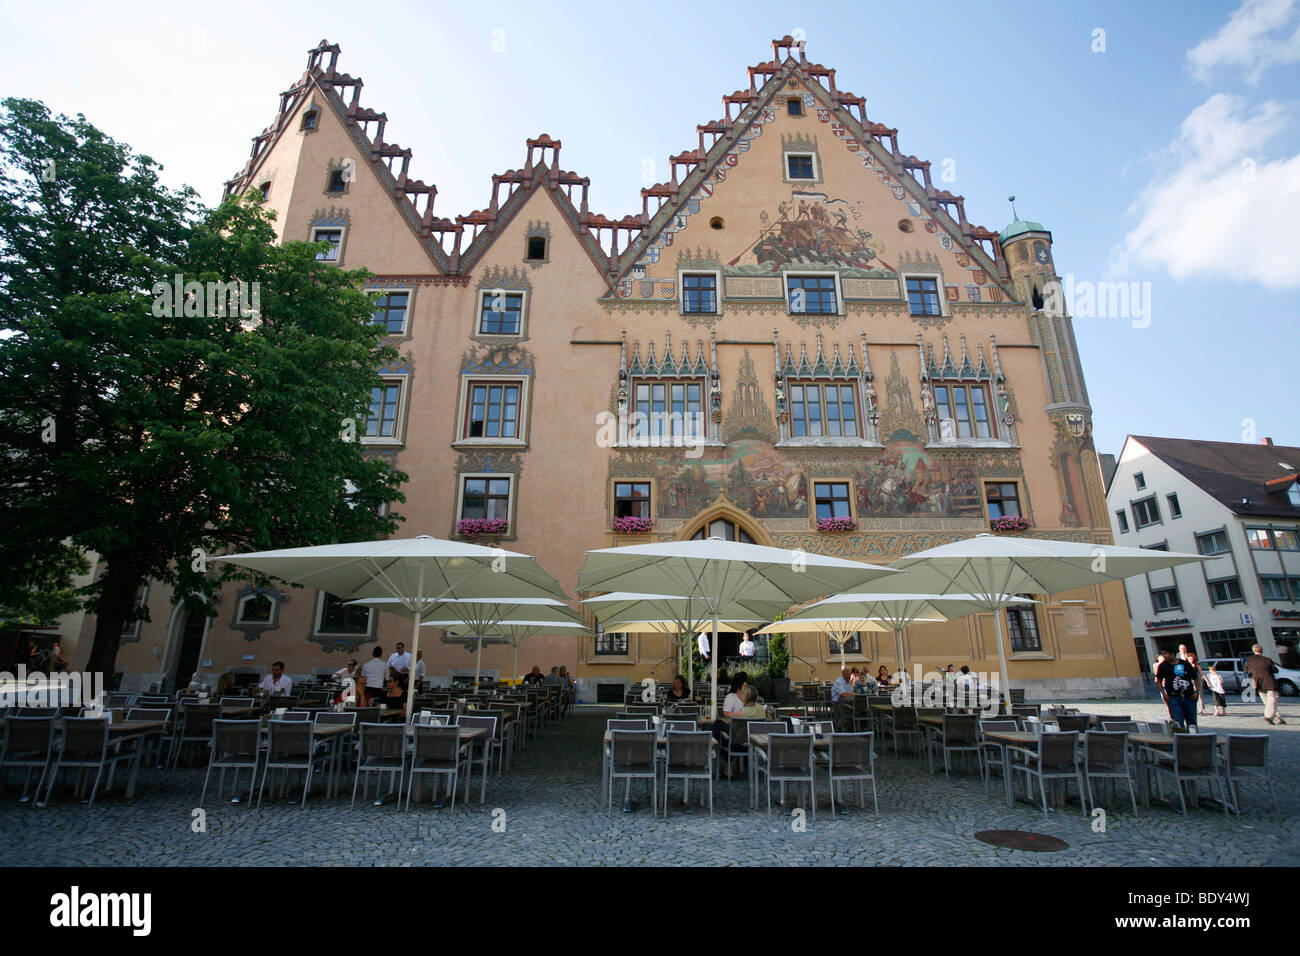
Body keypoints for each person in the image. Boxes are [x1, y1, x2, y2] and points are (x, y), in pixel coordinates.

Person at [1155, 652, 1200, 730]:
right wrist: (1164, 694)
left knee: (1192, 723)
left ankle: (1194, 739)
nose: (1164, 656)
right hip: (1173, 698)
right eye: (1162, 654)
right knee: (1177, 722)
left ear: (1172, 654)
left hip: (1189, 697)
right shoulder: (1163, 666)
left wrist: (1197, 692)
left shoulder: (1185, 664)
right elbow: (1158, 680)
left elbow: (1196, 678)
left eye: (1166, 653)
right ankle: (1181, 740)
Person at [1244, 644, 1285, 726]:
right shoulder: (1267, 660)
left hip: (1258, 683)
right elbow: (1275, 670)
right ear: (1261, 651)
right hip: (1269, 683)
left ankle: (1279, 717)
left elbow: (1246, 671)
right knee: (1272, 701)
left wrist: (1254, 672)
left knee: (1267, 702)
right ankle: (1268, 717)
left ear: (1253, 651)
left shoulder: (1249, 660)